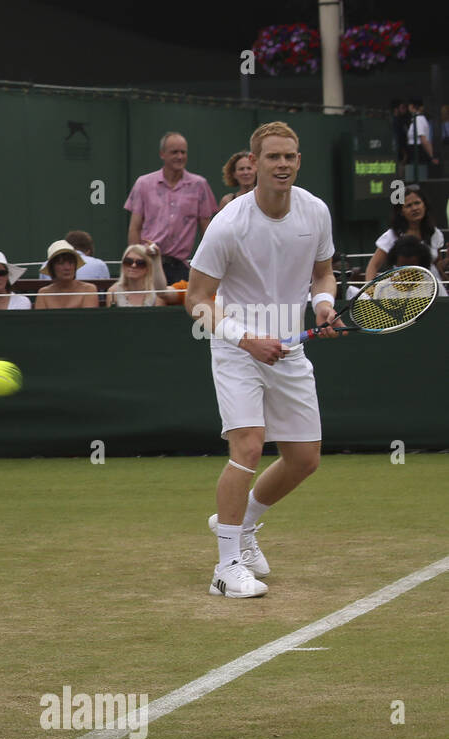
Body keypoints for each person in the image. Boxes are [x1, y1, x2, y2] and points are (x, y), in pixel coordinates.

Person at [185, 121, 341, 600]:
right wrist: (246, 338)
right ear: (253, 165)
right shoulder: (230, 224)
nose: (282, 165)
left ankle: (242, 524)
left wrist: (322, 306)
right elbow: (197, 300)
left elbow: (323, 274)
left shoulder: (315, 212)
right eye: (273, 157)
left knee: (304, 459)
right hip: (236, 346)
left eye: (289, 157)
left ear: (298, 161)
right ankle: (226, 567)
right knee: (249, 447)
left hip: (288, 346)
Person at [124, 131, 218, 284]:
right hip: (147, 263)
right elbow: (135, 228)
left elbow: (207, 230)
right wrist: (134, 261)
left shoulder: (199, 185)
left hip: (179, 267)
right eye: (174, 152)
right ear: (162, 154)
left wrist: (208, 265)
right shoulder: (143, 183)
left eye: (183, 152)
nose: (180, 157)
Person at [362, 184, 444, 282]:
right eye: (408, 205)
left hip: (434, 287)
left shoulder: (435, 233)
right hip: (402, 290)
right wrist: (369, 291)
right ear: (401, 211)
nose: (414, 208)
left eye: (417, 203)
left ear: (424, 205)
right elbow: (373, 266)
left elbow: (437, 264)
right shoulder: (392, 235)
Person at [34, 239, 99, 309]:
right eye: (61, 263)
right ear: (52, 268)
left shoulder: (89, 289)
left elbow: (89, 318)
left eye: (71, 262)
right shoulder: (43, 293)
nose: (67, 268)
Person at [105, 243, 176, 306]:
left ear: (148, 267)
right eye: (128, 262)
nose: (133, 265)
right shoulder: (113, 291)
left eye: (140, 263)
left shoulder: (157, 292)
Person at [404, 98, 438, 182]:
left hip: (418, 152)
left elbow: (423, 139)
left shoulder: (418, 119)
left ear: (412, 106)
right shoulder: (417, 119)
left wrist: (431, 156)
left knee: (417, 178)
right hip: (415, 151)